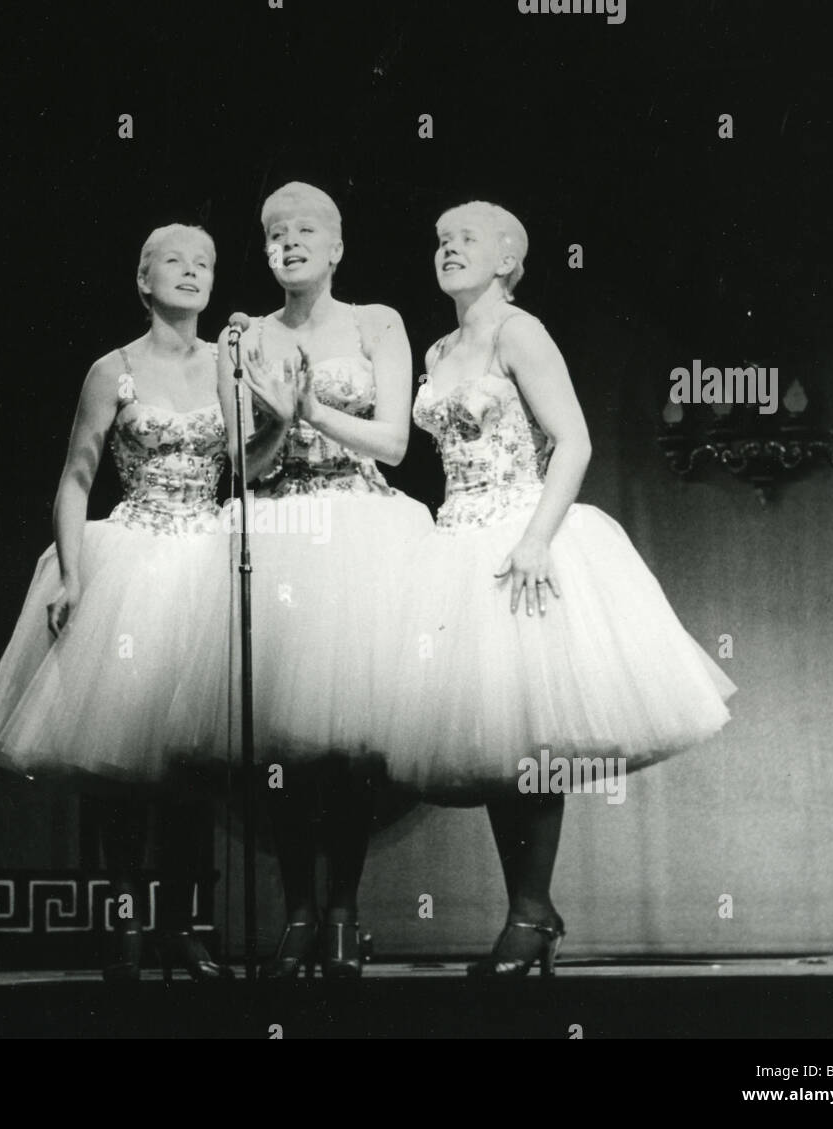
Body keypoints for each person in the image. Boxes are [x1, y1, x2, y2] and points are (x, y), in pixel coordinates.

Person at [381, 201, 737, 977]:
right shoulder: (441, 347)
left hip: (522, 531)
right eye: (439, 240)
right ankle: (531, 914)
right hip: (456, 542)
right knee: (498, 743)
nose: (447, 250)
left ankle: (530, 912)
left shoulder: (521, 331)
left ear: (508, 257)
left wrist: (537, 537)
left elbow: (572, 440)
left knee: (534, 737)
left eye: (466, 240)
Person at [0, 223, 234, 982]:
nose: (191, 272)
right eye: (173, 262)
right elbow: (77, 476)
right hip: (136, 556)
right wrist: (74, 574)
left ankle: (182, 925)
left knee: (195, 761)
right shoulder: (111, 369)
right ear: (143, 281)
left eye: (204, 263)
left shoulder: (228, 366)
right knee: (120, 765)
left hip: (207, 559)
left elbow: (255, 460)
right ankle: (125, 922)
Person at [218, 182, 434, 978]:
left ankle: (343, 911)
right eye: (276, 232)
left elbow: (394, 442)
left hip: (359, 526)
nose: (291, 241)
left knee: (351, 746)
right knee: (281, 744)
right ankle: (298, 909)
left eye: (308, 229)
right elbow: (238, 464)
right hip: (278, 529)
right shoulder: (245, 335)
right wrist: (276, 420)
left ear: (338, 246)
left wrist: (309, 408)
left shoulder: (379, 322)